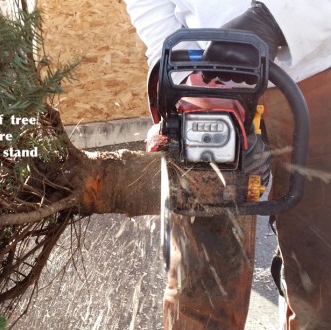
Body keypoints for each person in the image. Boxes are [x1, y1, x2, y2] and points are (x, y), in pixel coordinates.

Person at [124, 1, 331, 329]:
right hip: (206, 86)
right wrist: (173, 65)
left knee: (321, 279)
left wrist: (278, 18)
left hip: (314, 73)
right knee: (201, 288)